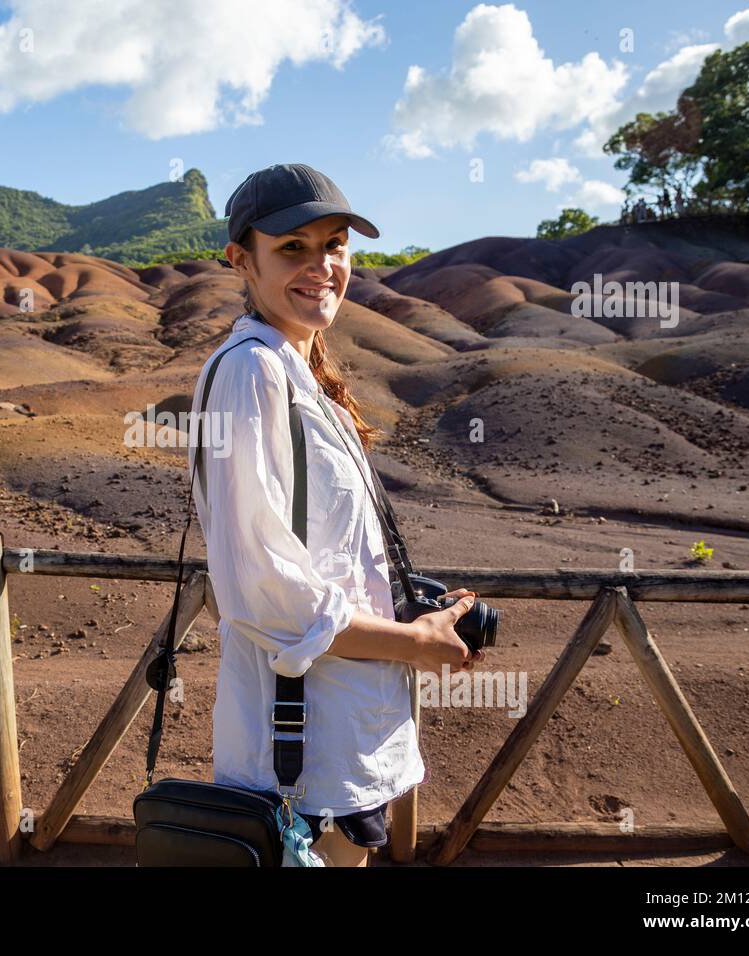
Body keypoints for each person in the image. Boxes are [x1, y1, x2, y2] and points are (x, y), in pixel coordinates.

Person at [191, 164, 483, 867]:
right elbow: (261, 585)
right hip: (301, 745)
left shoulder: (297, 370)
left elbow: (332, 556)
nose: (321, 265)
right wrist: (415, 643)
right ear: (242, 259)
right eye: (292, 248)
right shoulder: (253, 373)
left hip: (341, 729)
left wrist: (417, 617)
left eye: (334, 245)